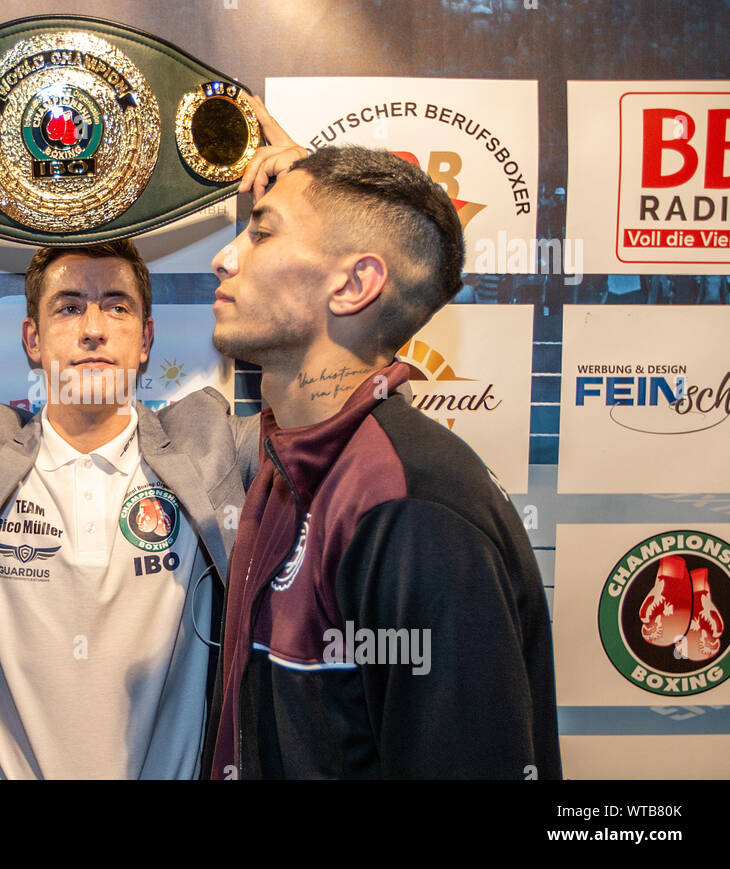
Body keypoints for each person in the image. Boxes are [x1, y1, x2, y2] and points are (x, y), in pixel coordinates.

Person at [207, 144, 562, 779]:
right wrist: (313, 180)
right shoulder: (298, 458)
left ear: (353, 286)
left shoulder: (410, 506)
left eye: (261, 234)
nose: (225, 258)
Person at [0, 238, 259, 779]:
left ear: (146, 339)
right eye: (69, 308)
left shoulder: (213, 448)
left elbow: (333, 425)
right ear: (33, 338)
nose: (93, 329)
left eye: (116, 307)